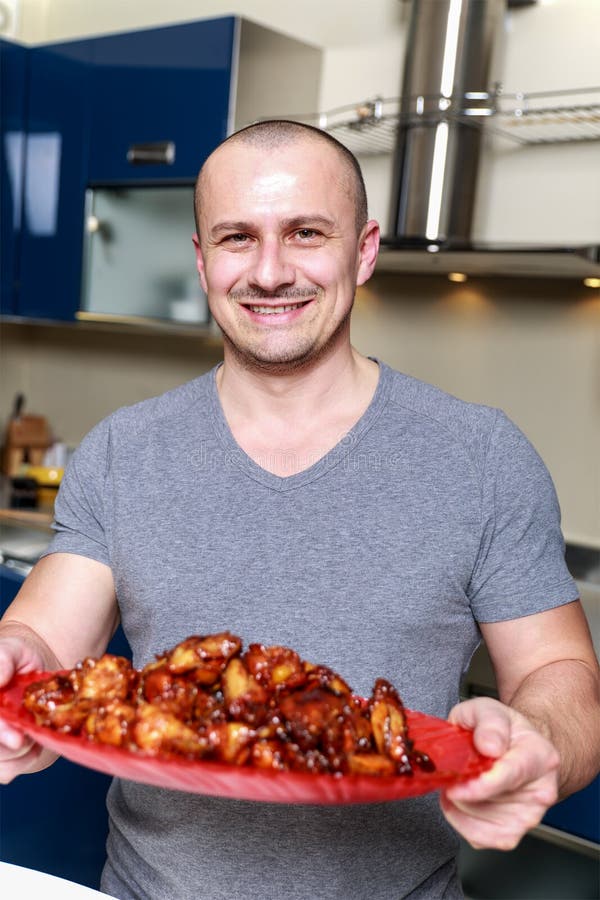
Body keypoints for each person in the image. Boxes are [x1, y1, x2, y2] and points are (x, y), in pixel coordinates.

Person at [1, 120, 599, 900]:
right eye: (237, 238)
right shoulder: (125, 450)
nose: (271, 271)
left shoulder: (482, 456)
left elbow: (563, 675)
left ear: (363, 250)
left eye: (306, 233)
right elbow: (45, 637)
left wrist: (540, 740)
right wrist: (16, 656)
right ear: (202, 259)